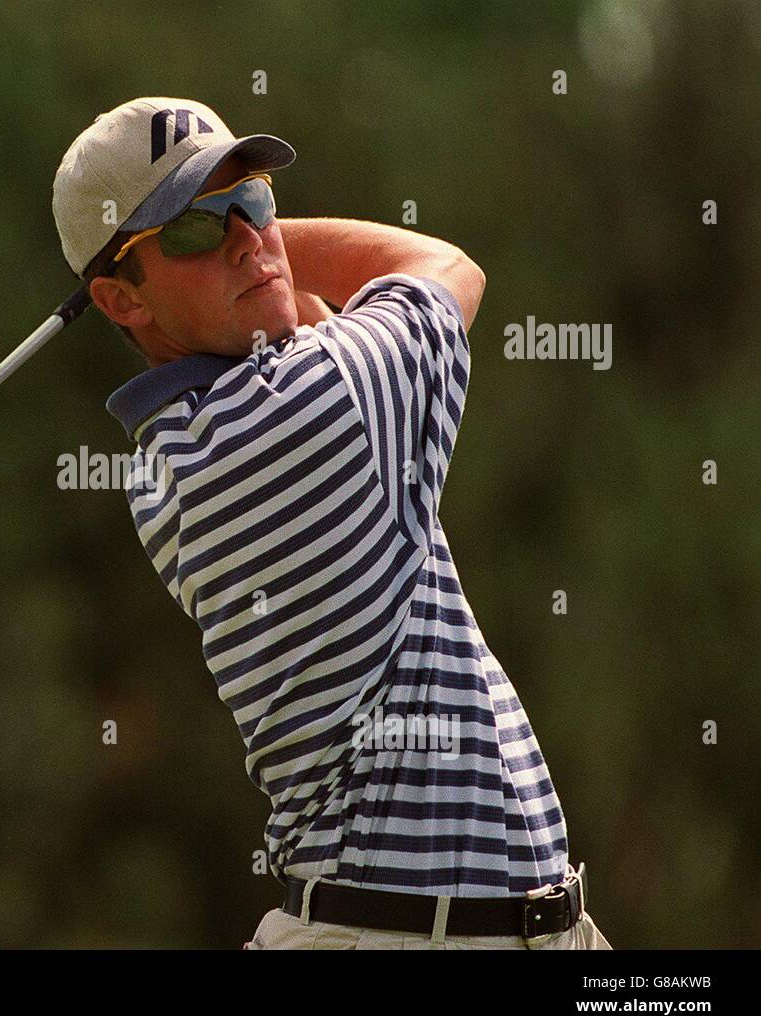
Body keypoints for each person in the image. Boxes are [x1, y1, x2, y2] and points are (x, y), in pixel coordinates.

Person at [52, 97, 611, 950]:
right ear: (119, 299)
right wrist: (274, 253)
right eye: (197, 232)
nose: (246, 236)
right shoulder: (303, 415)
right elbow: (445, 266)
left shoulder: (177, 447)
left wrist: (236, 249)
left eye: (258, 200)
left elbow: (306, 318)